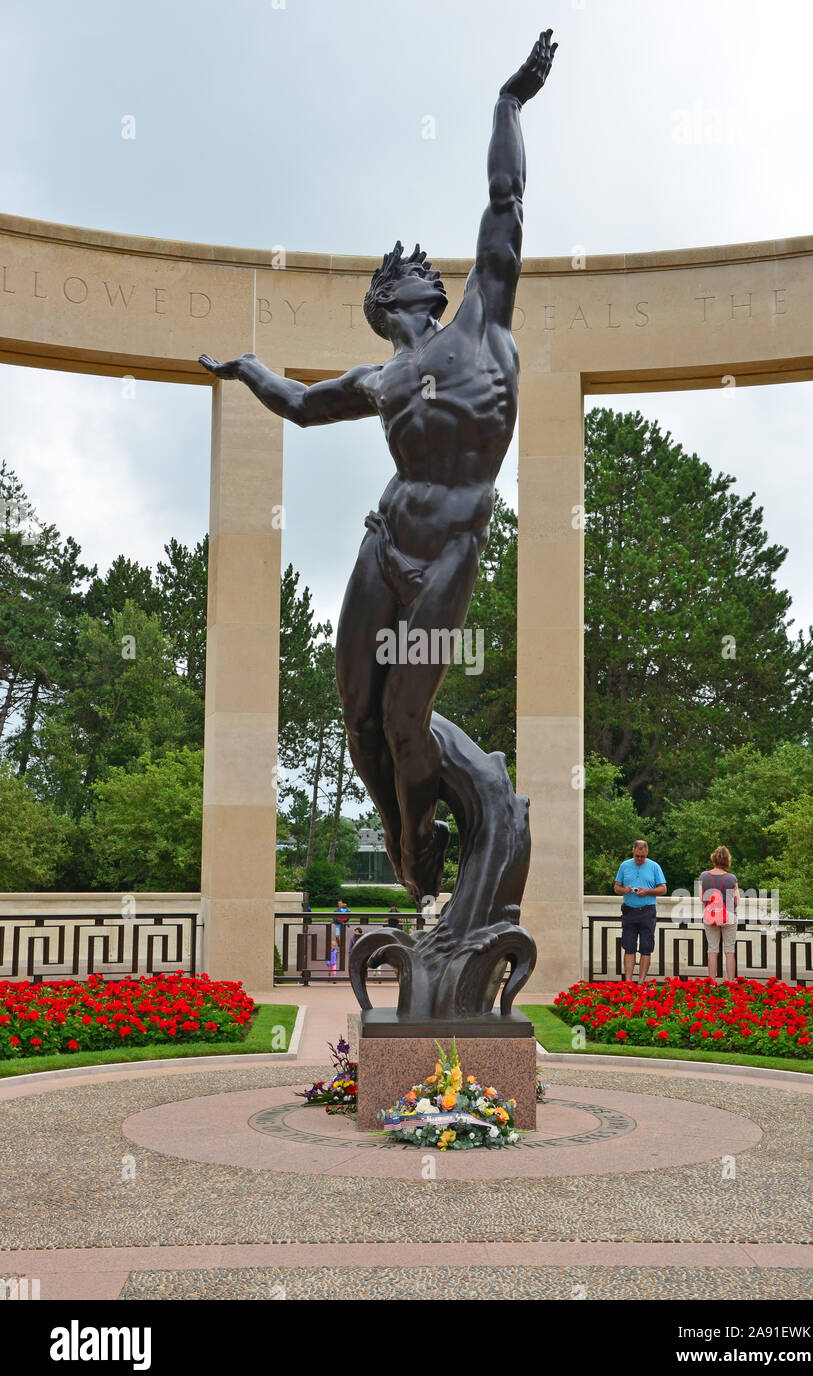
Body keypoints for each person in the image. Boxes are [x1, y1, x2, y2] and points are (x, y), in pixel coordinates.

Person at [199, 32, 557, 915]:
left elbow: (504, 199)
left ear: (416, 297)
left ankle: (422, 849)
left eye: (389, 285)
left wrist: (508, 103)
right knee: (357, 710)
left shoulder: (482, 323)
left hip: (449, 553)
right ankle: (405, 836)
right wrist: (247, 367)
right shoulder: (379, 378)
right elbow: (297, 404)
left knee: (406, 719)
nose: (384, 294)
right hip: (384, 539)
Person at [614, 839, 667, 983]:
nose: (639, 859)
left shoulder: (654, 866)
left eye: (642, 856)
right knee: (629, 947)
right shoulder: (624, 865)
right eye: (637, 856)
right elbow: (616, 887)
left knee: (646, 947)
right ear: (633, 851)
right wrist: (623, 890)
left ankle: (641, 982)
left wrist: (648, 891)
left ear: (647, 853)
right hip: (629, 911)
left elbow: (663, 889)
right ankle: (628, 982)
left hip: (647, 912)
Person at [700, 846, 740, 980]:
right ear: (728, 860)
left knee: (712, 950)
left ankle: (712, 982)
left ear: (714, 858)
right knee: (729, 951)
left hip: (710, 916)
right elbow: (736, 901)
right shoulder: (732, 878)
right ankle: (730, 983)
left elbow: (702, 898)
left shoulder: (704, 876)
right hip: (728, 916)